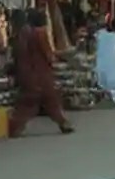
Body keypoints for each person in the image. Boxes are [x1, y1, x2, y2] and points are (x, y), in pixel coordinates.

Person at [10, 9, 74, 137]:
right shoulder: (39, 33)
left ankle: (15, 127)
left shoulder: (21, 33)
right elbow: (49, 55)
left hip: (26, 73)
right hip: (40, 74)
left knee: (30, 102)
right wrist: (60, 57)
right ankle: (13, 127)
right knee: (46, 101)